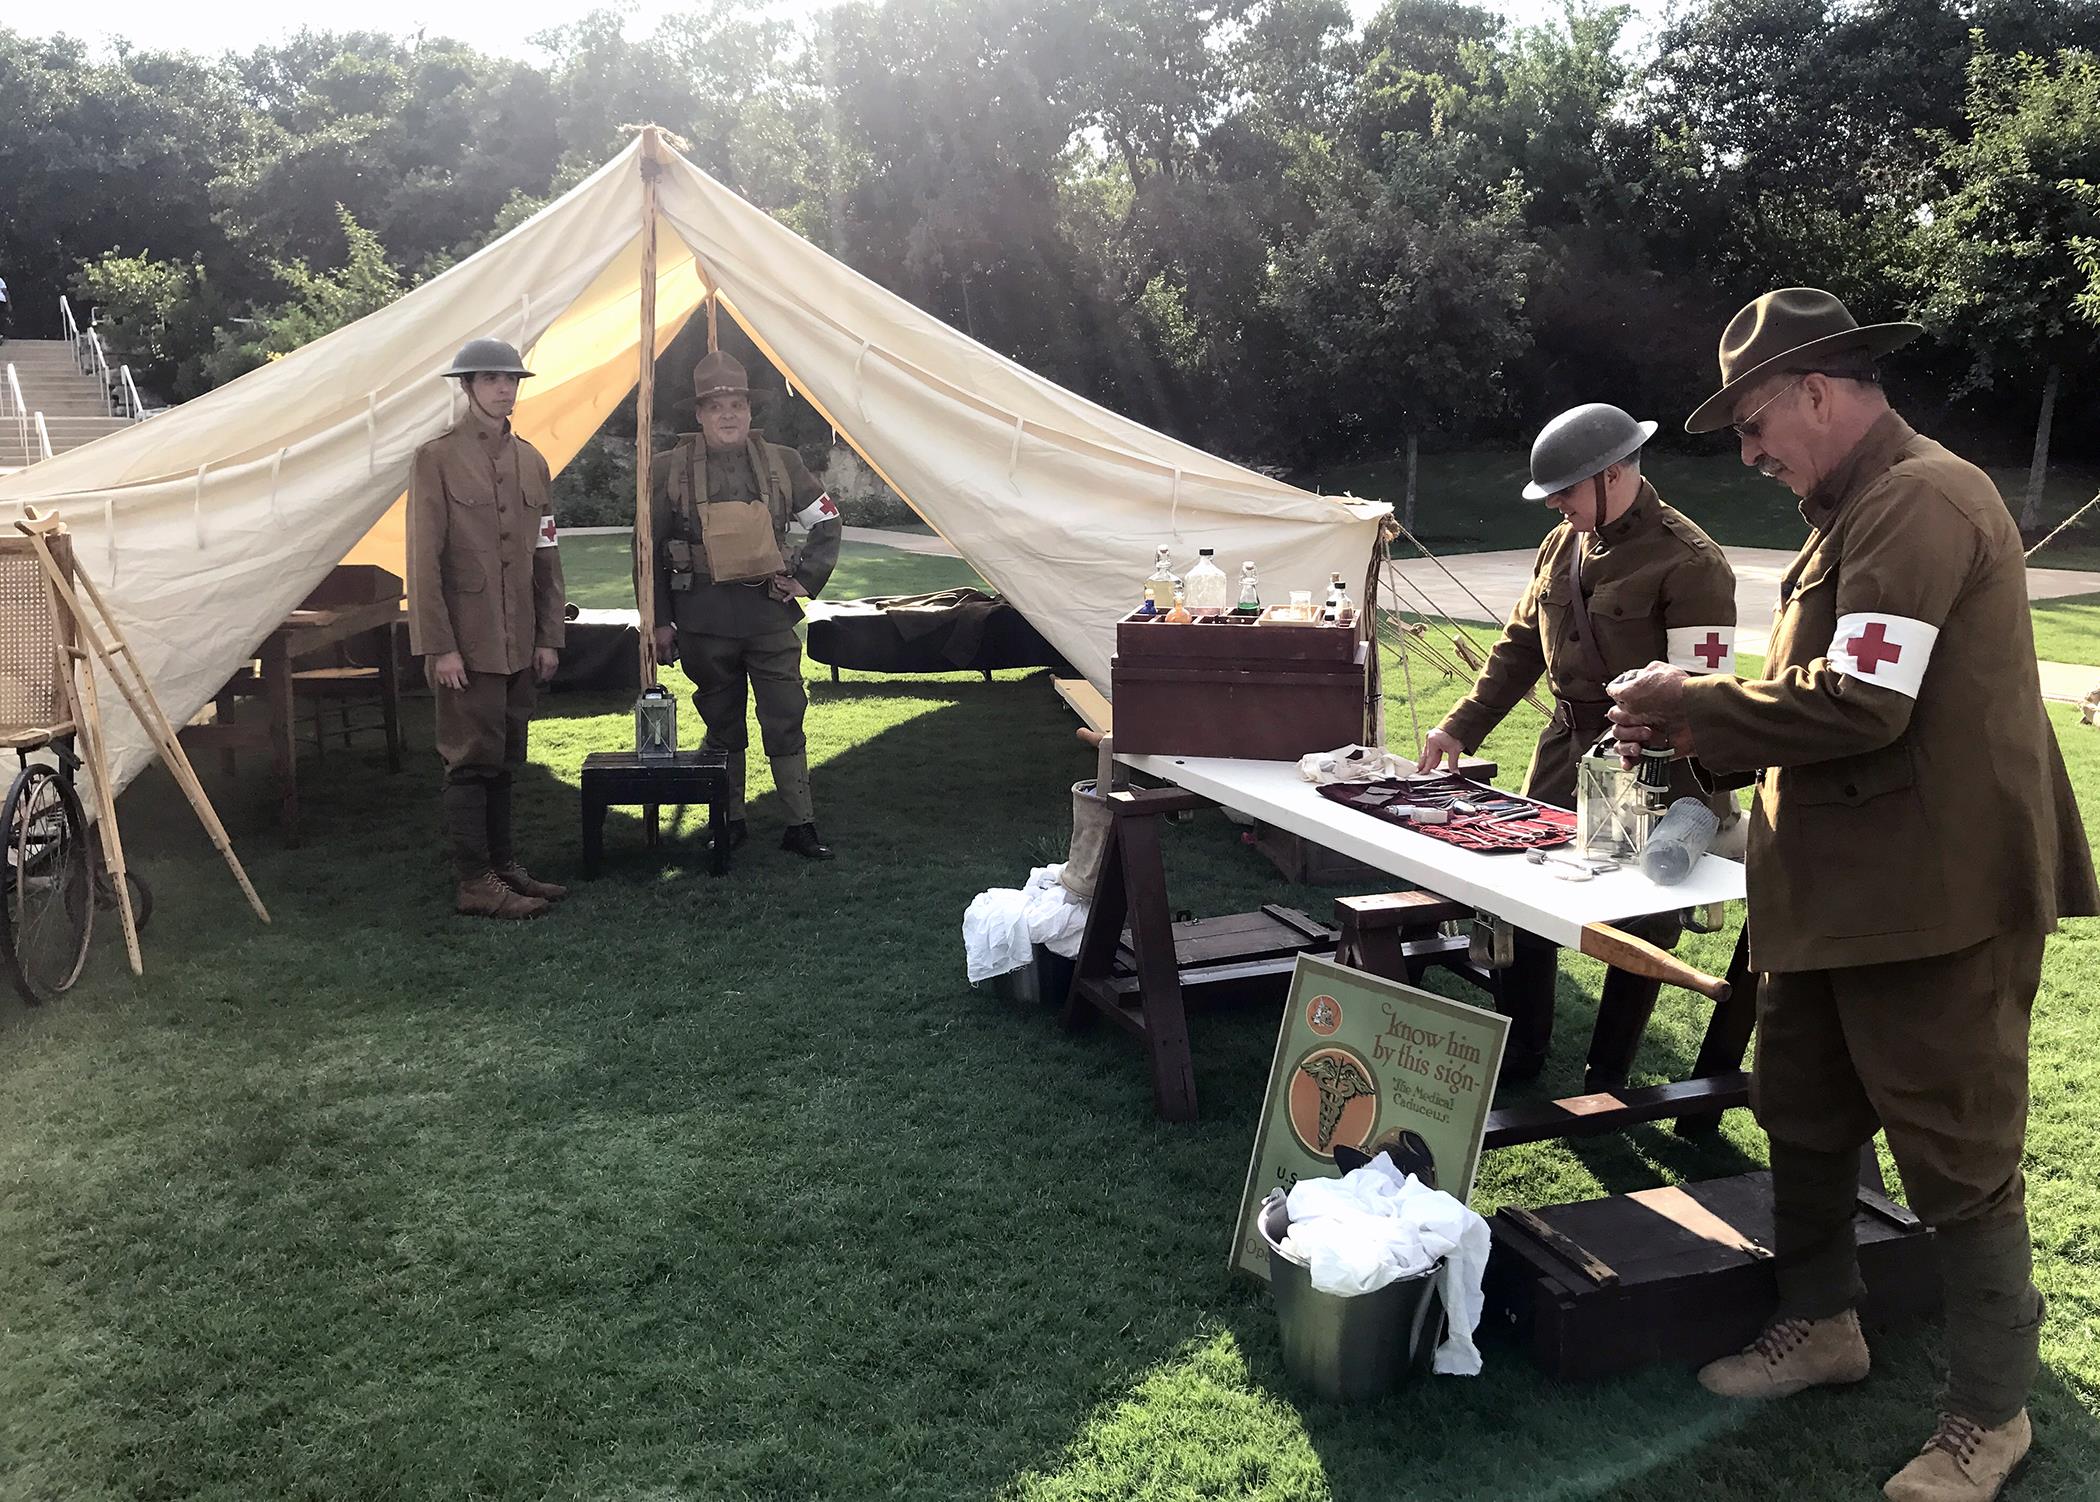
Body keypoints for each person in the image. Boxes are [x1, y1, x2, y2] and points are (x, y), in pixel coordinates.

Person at [1607, 287, 2097, 1502]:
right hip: (1834, 894)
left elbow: (1864, 701)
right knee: (1805, 1110)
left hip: (1934, 902)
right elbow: (1824, 697)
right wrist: (1705, 734)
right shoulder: (1856, 509)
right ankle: (1824, 1322)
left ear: (1817, 393)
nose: (1750, 454)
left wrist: (1693, 705)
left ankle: (1990, 1415)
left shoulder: (1921, 497)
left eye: (1755, 426)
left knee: (1959, 1155)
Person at [1416, 403, 1737, 1084]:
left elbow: (1703, 692)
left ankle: (1607, 1078)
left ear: (1613, 474)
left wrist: (1661, 757)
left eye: (1564, 490)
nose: (1554, 504)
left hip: (1649, 763)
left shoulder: (1691, 562)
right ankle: (1523, 1052)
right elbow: (1519, 646)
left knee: (1641, 917)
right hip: (1565, 751)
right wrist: (1460, 726)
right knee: (1524, 893)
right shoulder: (1562, 543)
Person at [641, 350, 842, 860]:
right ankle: (728, 820)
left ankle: (801, 824)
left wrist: (804, 579)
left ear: (750, 411)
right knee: (722, 722)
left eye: (737, 405)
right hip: (703, 618)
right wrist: (659, 622)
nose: (728, 415)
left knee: (786, 714)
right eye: (716, 406)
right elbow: (646, 550)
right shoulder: (666, 469)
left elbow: (827, 519)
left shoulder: (784, 462)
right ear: (699, 414)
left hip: (768, 614)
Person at [406, 338, 567, 919]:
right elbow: (423, 561)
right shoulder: (436, 458)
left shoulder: (533, 460)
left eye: (511, 379)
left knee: (505, 755)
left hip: (519, 638)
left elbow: (546, 553)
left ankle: (503, 866)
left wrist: (549, 635)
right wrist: (440, 646)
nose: (504, 388)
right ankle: (475, 881)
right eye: (492, 378)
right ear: (467, 386)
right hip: (467, 642)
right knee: (470, 759)